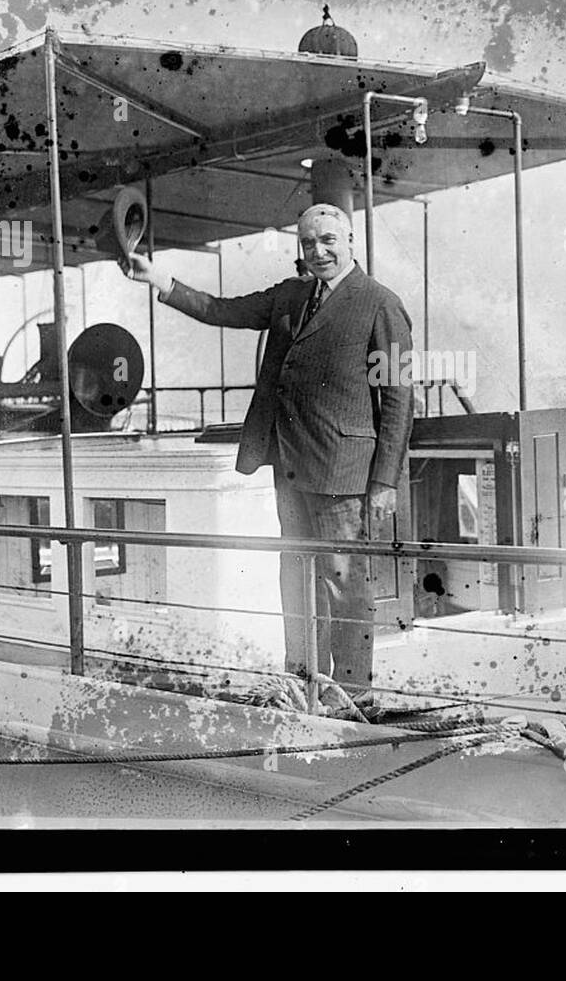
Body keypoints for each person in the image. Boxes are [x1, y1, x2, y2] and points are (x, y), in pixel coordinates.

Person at [126, 204, 413, 718]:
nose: (318, 252)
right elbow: (220, 310)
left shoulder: (381, 305)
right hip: (292, 465)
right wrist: (160, 279)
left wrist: (385, 481)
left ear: (350, 240)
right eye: (308, 244)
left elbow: (397, 400)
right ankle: (302, 680)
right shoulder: (289, 295)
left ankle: (353, 695)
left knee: (345, 583)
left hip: (346, 473)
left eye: (328, 240)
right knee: (296, 577)